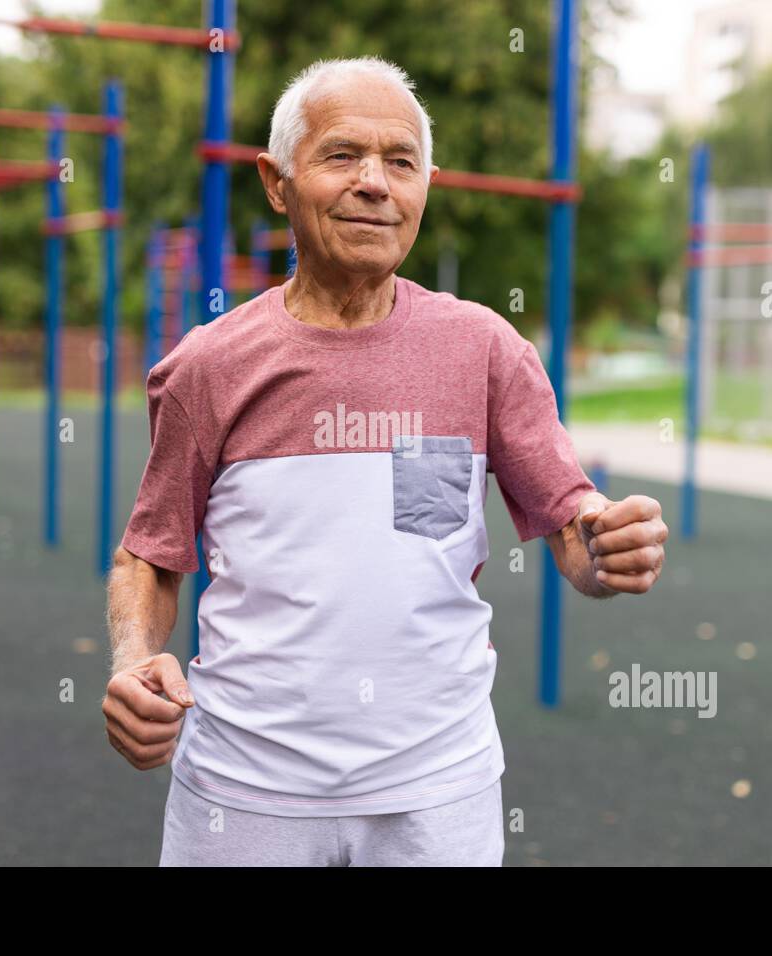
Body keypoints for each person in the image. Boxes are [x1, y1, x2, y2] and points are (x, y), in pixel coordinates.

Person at [103, 56, 667, 867]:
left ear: (425, 186)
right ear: (276, 181)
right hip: (244, 789)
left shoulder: (485, 350)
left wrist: (610, 545)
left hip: (438, 788)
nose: (375, 182)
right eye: (342, 155)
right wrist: (132, 663)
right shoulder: (209, 366)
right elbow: (149, 557)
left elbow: (573, 532)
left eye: (401, 162)